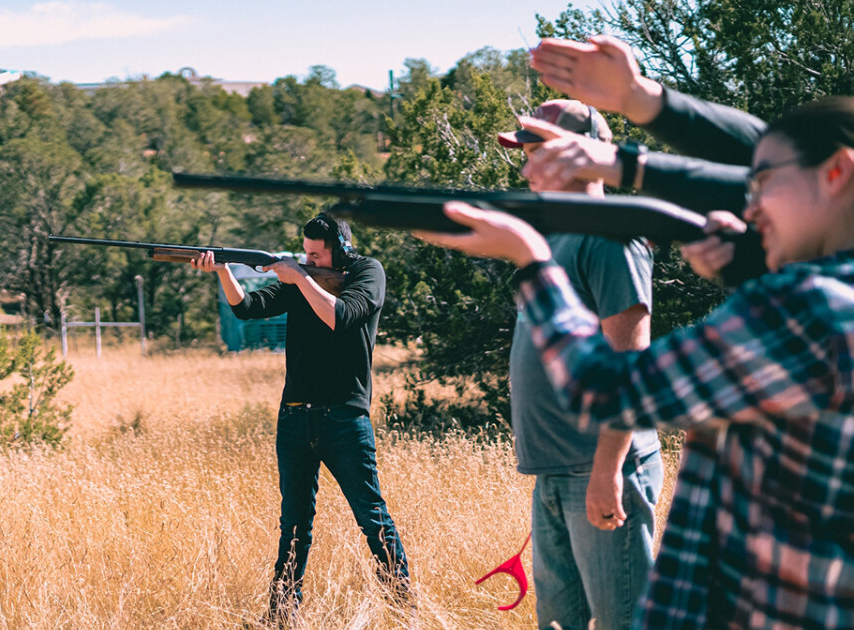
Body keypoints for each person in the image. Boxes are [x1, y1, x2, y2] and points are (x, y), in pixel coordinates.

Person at [418, 97, 854, 630]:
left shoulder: (806, 306)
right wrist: (746, 268)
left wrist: (530, 264)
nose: (750, 206)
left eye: (761, 182)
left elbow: (612, 385)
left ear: (837, 172)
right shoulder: (816, 298)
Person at [191, 214, 409, 621]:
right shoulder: (302, 277)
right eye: (305, 253)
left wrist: (300, 277)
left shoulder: (367, 272)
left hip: (343, 417)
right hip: (294, 417)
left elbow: (341, 316)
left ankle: (403, 608)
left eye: (316, 255)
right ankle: (281, 615)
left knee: (371, 517)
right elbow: (247, 308)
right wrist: (222, 271)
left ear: (341, 251)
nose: (308, 261)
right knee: (293, 523)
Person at [497, 98, 663, 630]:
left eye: (536, 152)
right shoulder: (553, 237)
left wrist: (607, 471)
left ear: (582, 153)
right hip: (554, 471)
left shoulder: (610, 235)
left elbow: (629, 364)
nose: (526, 169)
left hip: (599, 467)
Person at [525, 34, 771, 283]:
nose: (528, 169)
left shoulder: (609, 242)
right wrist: (638, 98)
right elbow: (770, 156)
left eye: (541, 152)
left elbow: (775, 167)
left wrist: (626, 164)